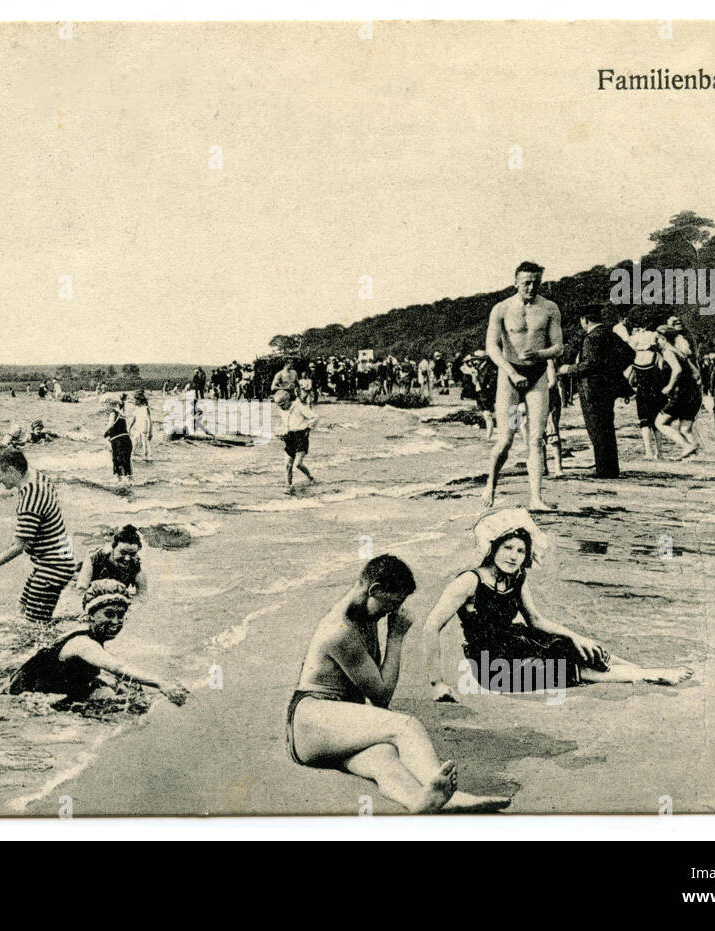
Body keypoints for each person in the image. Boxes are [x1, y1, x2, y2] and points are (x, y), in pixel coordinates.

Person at [287, 555, 512, 814]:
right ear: (374, 590)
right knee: (406, 726)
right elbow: (381, 696)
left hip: (327, 733)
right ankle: (449, 795)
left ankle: (419, 802)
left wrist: (390, 631)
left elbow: (376, 683)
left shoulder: (364, 615)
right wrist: (396, 637)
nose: (393, 612)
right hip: (312, 721)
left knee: (384, 757)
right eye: (391, 604)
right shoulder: (340, 630)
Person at [424, 510, 693, 697]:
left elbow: (536, 620)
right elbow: (431, 626)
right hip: (493, 666)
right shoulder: (469, 582)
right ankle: (647, 675)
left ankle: (644, 670)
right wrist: (437, 683)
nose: (514, 556)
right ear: (493, 548)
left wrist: (579, 636)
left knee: (572, 645)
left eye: (520, 551)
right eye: (507, 548)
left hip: (517, 642)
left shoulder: (517, 577)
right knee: (563, 665)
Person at [7, 581, 187, 705]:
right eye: (109, 614)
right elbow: (116, 666)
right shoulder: (83, 643)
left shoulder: (88, 636)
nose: (116, 621)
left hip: (44, 693)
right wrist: (161, 683)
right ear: (91, 615)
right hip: (21, 703)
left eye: (120, 615)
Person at [482, 261, 564, 510]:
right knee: (507, 438)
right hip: (510, 377)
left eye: (535, 282)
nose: (531, 287)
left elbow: (558, 347)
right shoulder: (502, 308)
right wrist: (510, 372)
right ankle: (490, 484)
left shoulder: (549, 308)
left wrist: (539, 355)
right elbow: (491, 347)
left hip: (536, 375)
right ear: (515, 281)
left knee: (536, 439)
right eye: (526, 282)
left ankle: (536, 498)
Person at [0, 448, 77, 624]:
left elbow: (19, 546)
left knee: (34, 628)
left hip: (52, 568)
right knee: (21, 611)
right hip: (57, 561)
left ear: (11, 470)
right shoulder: (39, 478)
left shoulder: (30, 499)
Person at [571, 305, 634, 479]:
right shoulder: (610, 334)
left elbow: (590, 364)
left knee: (597, 429)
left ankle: (604, 469)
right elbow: (630, 354)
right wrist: (612, 372)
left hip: (592, 388)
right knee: (607, 427)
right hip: (608, 388)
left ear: (585, 320)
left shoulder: (591, 338)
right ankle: (610, 467)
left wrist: (568, 369)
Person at [654, 326, 702, 459]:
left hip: (679, 393)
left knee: (660, 423)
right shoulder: (681, 352)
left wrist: (669, 386)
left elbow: (677, 370)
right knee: (685, 428)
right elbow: (696, 374)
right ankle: (695, 458)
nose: (657, 342)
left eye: (658, 339)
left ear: (664, 339)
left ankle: (686, 446)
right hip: (692, 393)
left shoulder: (668, 352)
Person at [76, 524, 148, 598]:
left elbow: (142, 597)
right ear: (113, 548)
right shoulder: (95, 557)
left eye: (132, 554)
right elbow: (81, 591)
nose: (127, 558)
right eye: (123, 553)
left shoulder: (136, 566)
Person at [627, 328, 667, 459]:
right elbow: (662, 373)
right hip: (656, 392)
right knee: (657, 422)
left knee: (644, 422)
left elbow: (630, 378)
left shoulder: (635, 358)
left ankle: (648, 452)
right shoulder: (657, 356)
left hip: (642, 392)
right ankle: (659, 452)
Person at [276, 388, 318, 492]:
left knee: (298, 464)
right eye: (278, 404)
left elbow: (315, 417)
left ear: (288, 400)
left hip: (301, 436)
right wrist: (281, 434)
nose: (280, 406)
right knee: (288, 465)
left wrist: (308, 428)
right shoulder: (282, 410)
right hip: (289, 438)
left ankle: (310, 477)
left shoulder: (299, 407)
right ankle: (289, 485)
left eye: (281, 404)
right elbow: (286, 424)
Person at [104, 399, 133, 485]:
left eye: (105, 404)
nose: (104, 407)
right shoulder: (122, 415)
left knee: (117, 462)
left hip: (118, 441)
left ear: (110, 405)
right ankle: (129, 482)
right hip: (127, 440)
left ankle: (119, 483)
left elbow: (111, 425)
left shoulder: (113, 413)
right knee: (126, 462)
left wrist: (105, 433)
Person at [128, 390, 153, 461]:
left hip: (144, 429)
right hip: (138, 428)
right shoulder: (136, 408)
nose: (133, 402)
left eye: (135, 400)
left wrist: (150, 432)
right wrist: (129, 428)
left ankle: (147, 457)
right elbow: (134, 419)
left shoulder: (145, 408)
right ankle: (133, 457)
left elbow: (149, 421)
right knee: (134, 443)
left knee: (145, 444)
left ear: (139, 400)